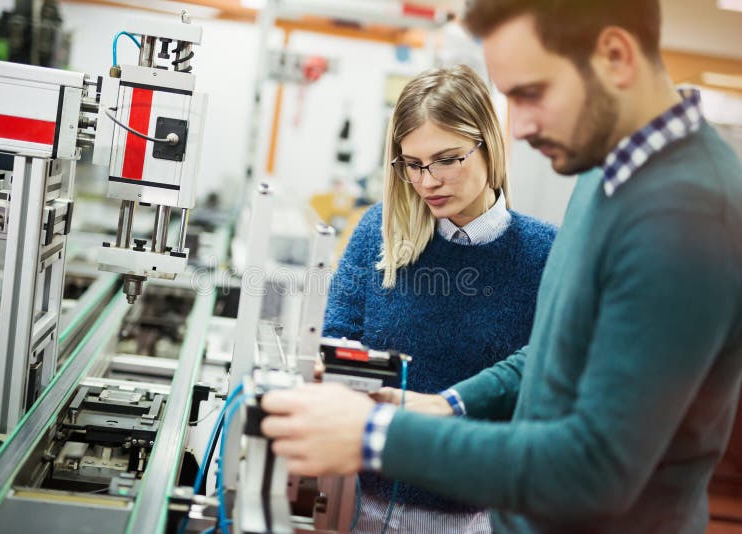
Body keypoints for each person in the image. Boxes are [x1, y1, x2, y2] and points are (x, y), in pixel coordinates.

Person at [260, 0, 742, 532]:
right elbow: (551, 349)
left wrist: (375, 436)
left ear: (615, 56)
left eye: (532, 93)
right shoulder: (607, 171)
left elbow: (597, 468)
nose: (521, 127)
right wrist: (450, 404)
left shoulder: (691, 213)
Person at [320, 64, 556, 533]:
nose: (428, 181)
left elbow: (541, 385)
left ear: (489, 143)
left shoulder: (546, 253)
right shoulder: (378, 231)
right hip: (358, 501)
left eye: (448, 159)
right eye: (413, 164)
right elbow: (334, 341)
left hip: (472, 517)